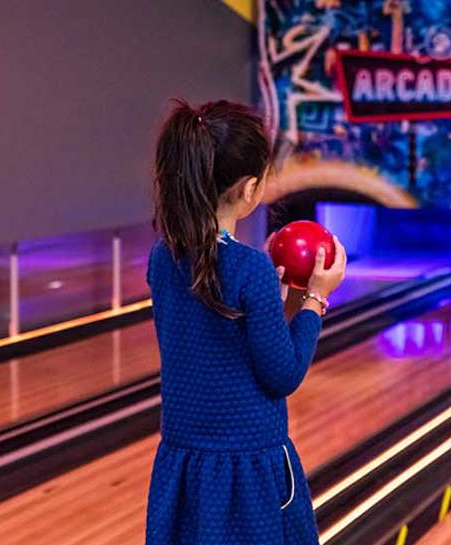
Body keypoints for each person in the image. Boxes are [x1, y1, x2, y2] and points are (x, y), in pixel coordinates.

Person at [145, 99, 346, 545]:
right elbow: (282, 374)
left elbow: (204, 335)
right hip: (247, 469)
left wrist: (269, 308)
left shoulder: (163, 257)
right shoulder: (251, 268)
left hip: (185, 465)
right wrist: (314, 299)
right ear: (250, 188)